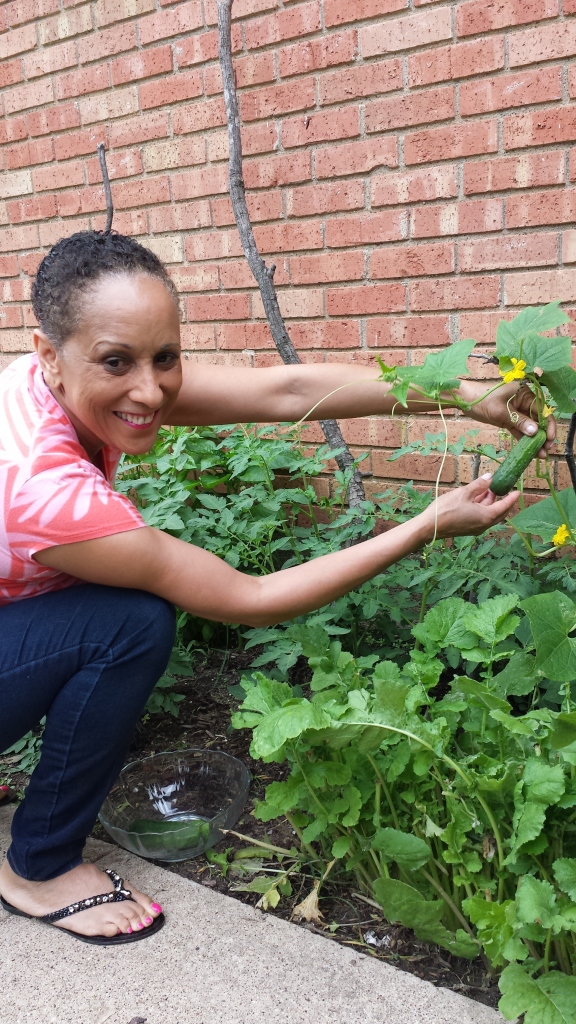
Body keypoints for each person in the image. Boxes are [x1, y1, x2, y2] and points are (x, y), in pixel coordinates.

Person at [0, 230, 553, 945]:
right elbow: (251, 597)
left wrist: (466, 394)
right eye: (118, 362)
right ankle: (38, 867)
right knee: (129, 623)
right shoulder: (45, 492)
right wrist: (427, 525)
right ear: (51, 354)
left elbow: (285, 389)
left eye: (165, 357)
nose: (151, 389)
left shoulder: (52, 377)